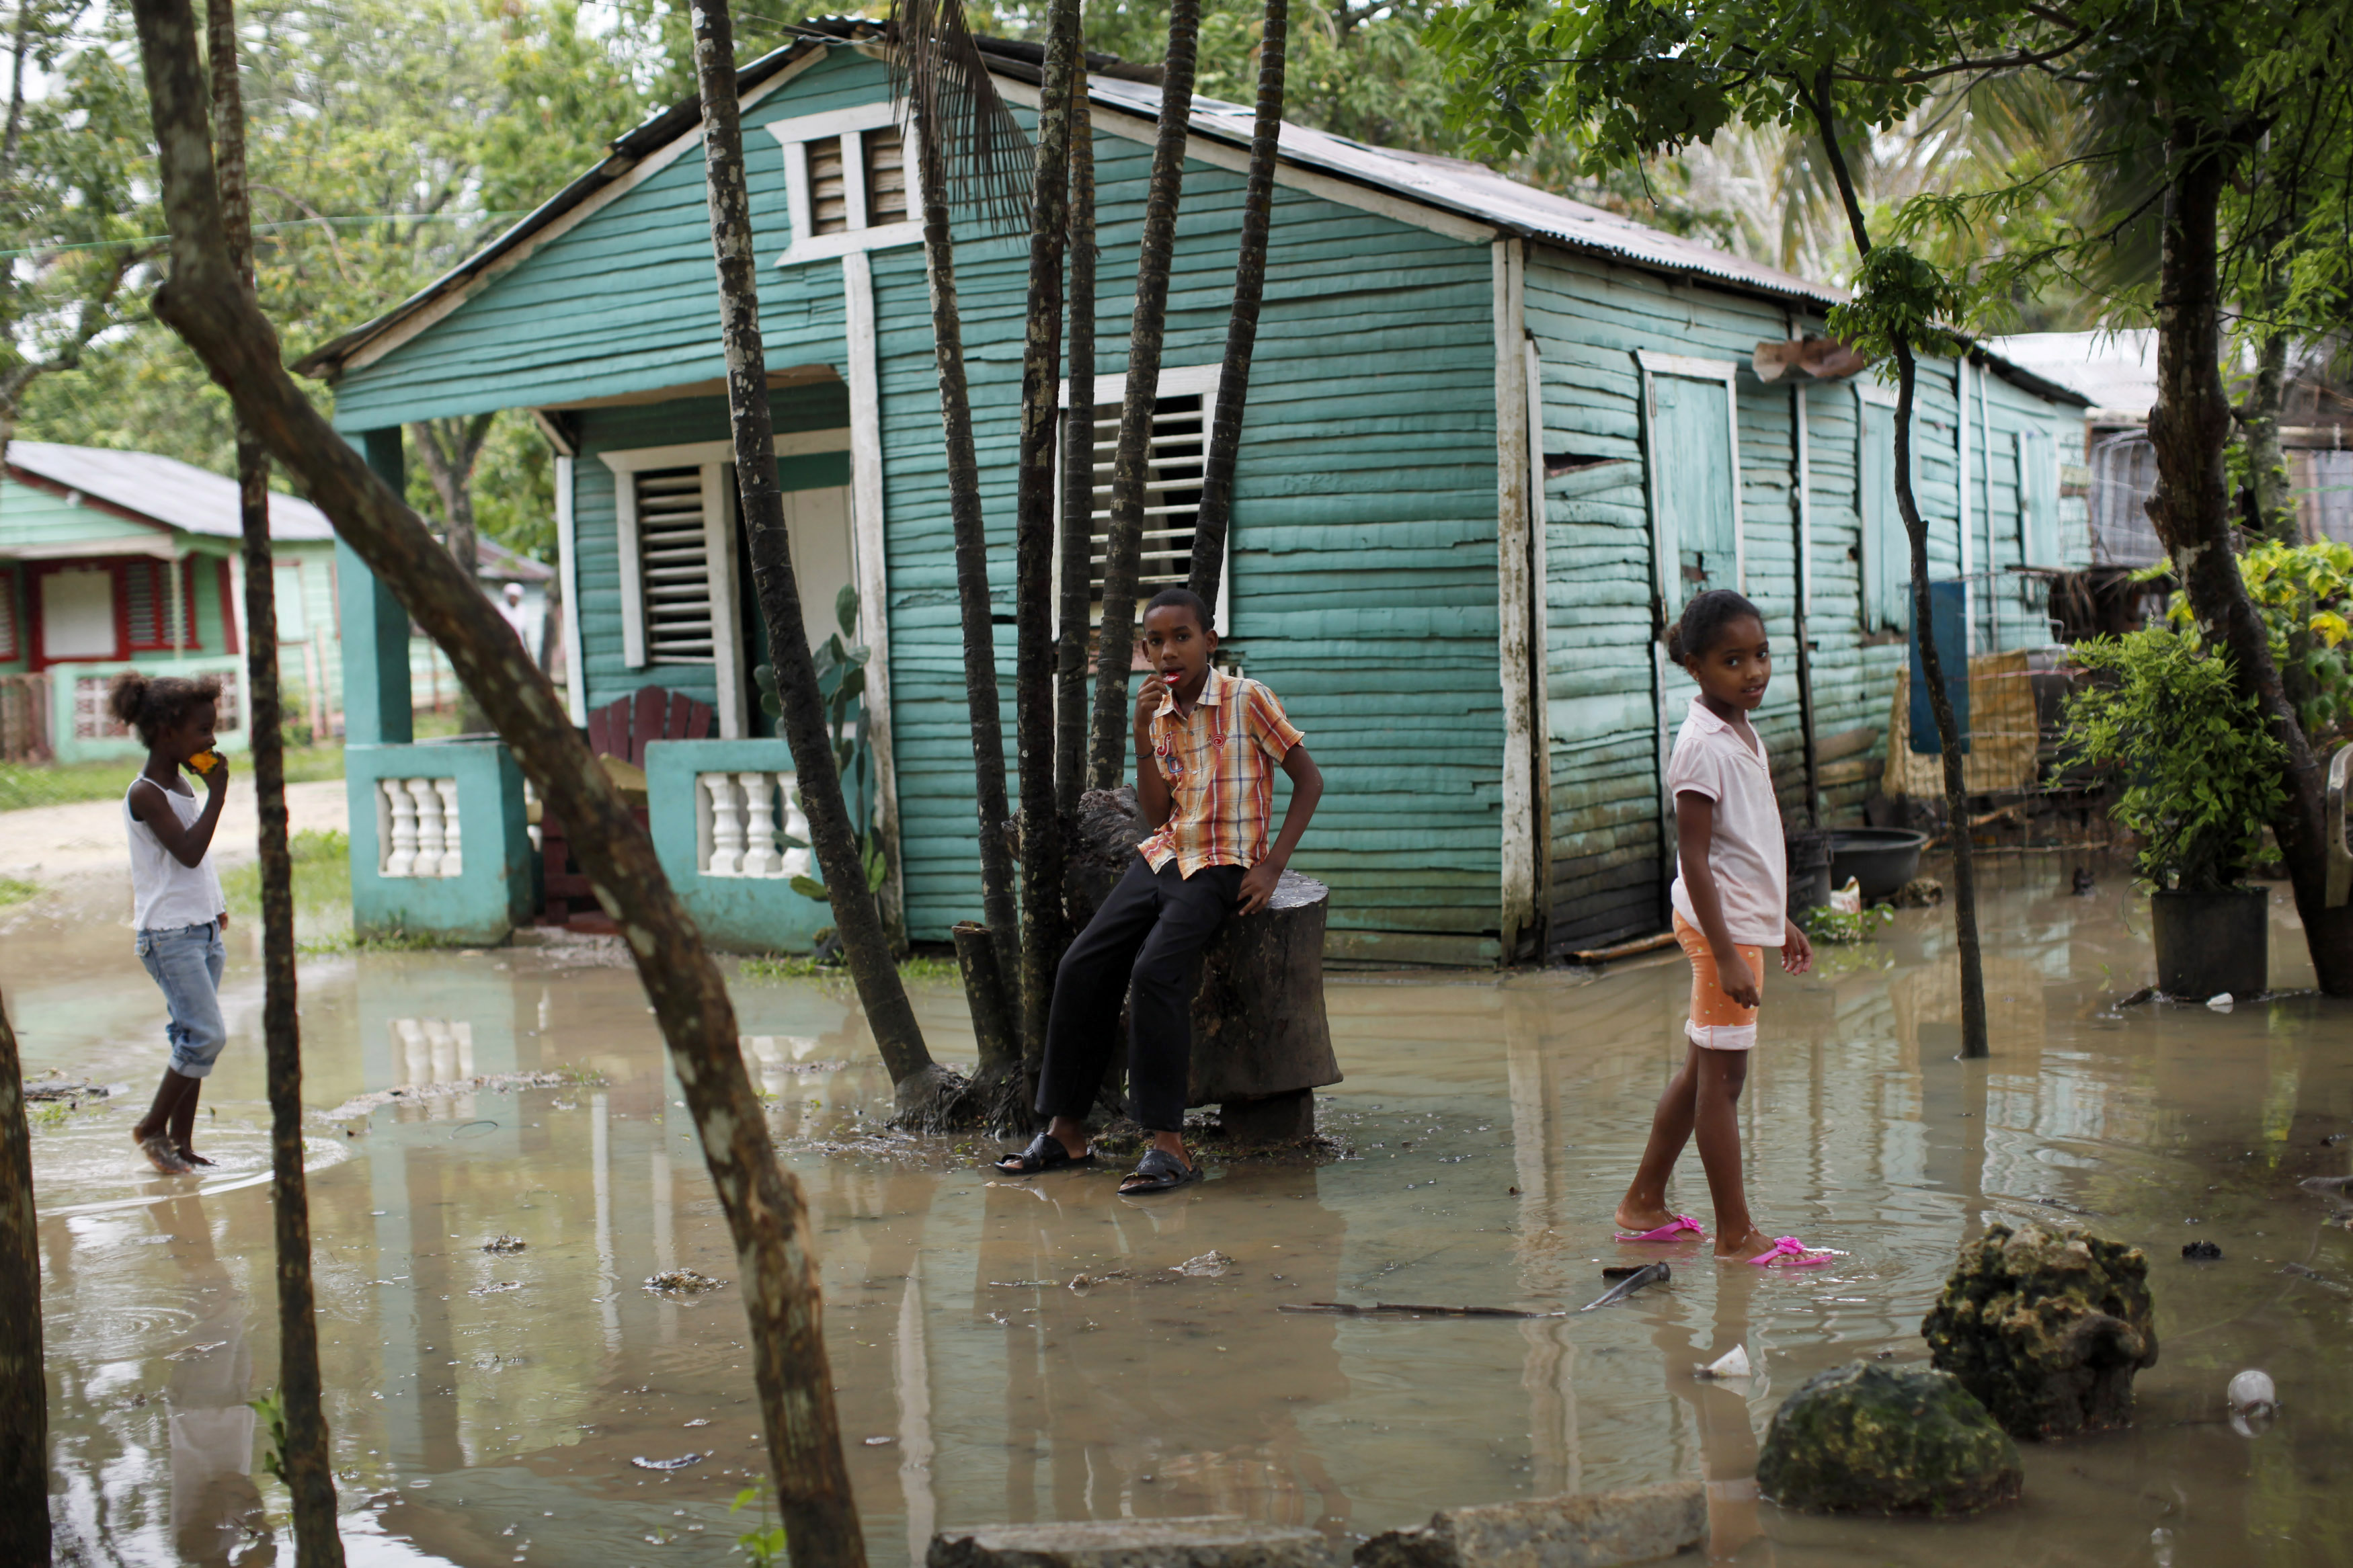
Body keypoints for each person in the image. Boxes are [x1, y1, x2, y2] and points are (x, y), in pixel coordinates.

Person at [996, 586, 1324, 1194]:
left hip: (1223, 863)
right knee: (1081, 965)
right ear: (1145, 651)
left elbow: (1309, 780)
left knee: (1154, 973)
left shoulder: (1247, 699)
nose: (1169, 651)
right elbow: (1154, 816)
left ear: (1210, 642)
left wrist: (1274, 866)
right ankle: (1068, 1131)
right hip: (1165, 855)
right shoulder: (1162, 712)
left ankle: (1170, 1145)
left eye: (1182, 637)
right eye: (1157, 641)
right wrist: (1143, 731)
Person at [1611, 589, 1827, 1266]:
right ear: (1695, 666)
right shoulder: (1700, 747)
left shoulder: (1736, 725)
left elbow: (1743, 846)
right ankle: (1735, 1233)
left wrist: (1776, 917)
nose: (1753, 671)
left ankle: (1641, 1203)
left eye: (1760, 654)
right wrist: (1730, 954)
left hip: (1734, 922)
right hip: (1716, 930)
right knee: (1722, 1083)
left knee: (1699, 1070)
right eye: (1732, 660)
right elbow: (1696, 862)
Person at [113, 672, 233, 1176]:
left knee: (192, 1038)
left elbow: (200, 867)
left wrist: (217, 906)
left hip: (200, 929)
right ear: (167, 733)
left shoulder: (182, 783)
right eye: (202, 731)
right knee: (206, 1036)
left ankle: (181, 1142)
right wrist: (219, 796)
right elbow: (186, 852)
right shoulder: (146, 794)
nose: (212, 741)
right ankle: (151, 1128)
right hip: (168, 936)